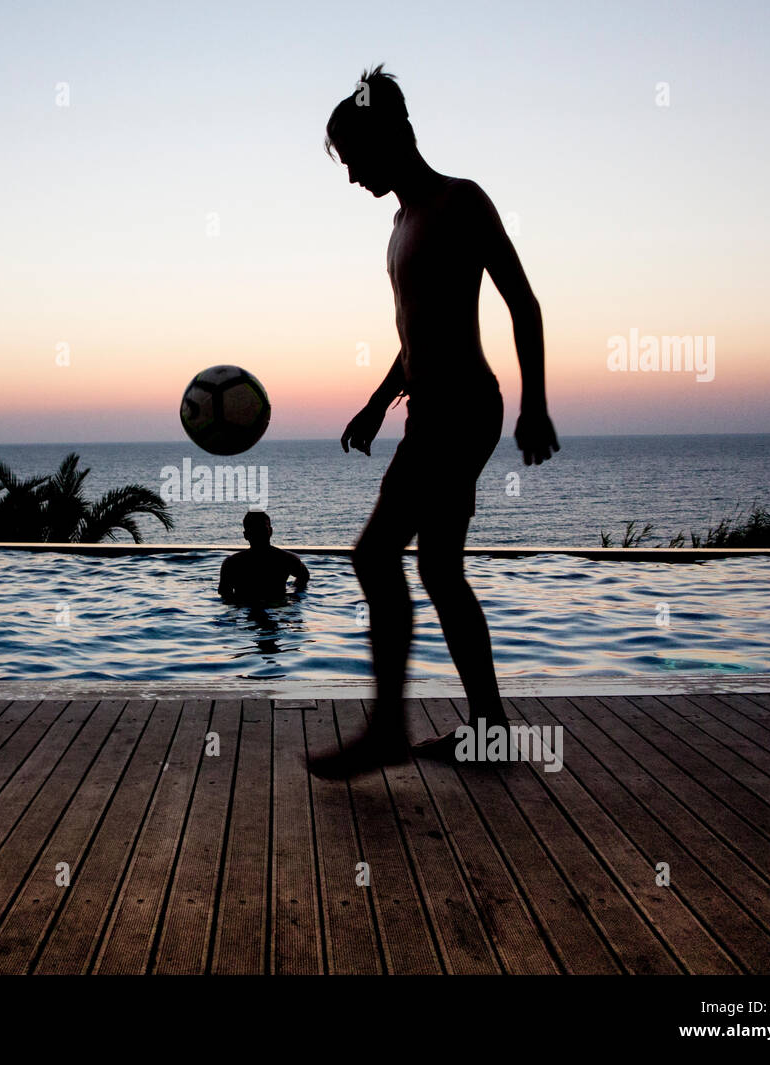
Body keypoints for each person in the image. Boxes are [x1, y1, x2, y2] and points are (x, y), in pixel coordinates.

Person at [308, 64, 559, 779]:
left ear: (399, 134)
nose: (352, 174)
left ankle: (388, 730)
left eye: (354, 155)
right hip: (428, 409)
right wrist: (376, 401)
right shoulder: (400, 225)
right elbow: (413, 333)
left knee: (373, 555)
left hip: (462, 409)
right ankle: (491, 731)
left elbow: (524, 303)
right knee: (439, 569)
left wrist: (535, 404)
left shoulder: (459, 202)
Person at [218, 511, 310, 602]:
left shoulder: (232, 563)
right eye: (255, 530)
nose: (259, 534)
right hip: (277, 608)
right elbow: (304, 576)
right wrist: (293, 594)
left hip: (248, 607)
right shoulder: (286, 559)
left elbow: (225, 597)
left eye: (261, 529)